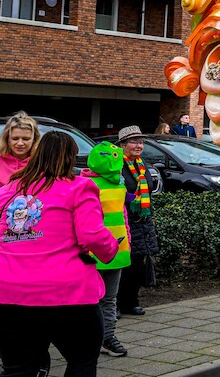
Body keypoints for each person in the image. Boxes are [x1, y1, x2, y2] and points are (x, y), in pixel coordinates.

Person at [0, 131, 120, 377]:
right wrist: (111, 249)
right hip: (67, 295)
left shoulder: (7, 191)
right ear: (70, 158)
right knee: (82, 359)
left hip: (10, 294)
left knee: (18, 368)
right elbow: (92, 234)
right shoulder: (79, 187)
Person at [82, 142, 132, 357]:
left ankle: (107, 337)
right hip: (90, 253)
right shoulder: (84, 185)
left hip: (117, 250)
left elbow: (122, 216)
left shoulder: (119, 186)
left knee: (109, 298)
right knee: (89, 299)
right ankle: (88, 339)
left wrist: (128, 240)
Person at [115, 126, 159, 316]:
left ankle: (131, 302)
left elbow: (148, 190)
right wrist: (132, 200)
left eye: (141, 142)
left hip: (142, 220)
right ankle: (114, 304)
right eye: (134, 142)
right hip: (124, 220)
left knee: (138, 264)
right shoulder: (116, 165)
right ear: (122, 145)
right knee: (123, 264)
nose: (138, 145)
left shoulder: (142, 165)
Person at [0, 112, 40, 186]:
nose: (20, 143)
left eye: (26, 139)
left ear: (34, 139)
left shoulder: (41, 163)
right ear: (7, 139)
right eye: (15, 139)